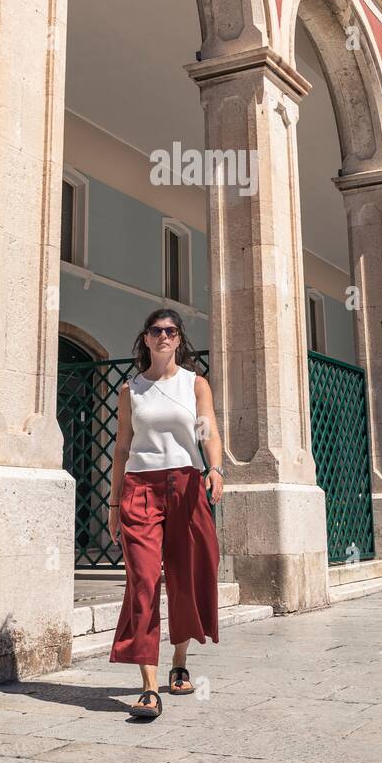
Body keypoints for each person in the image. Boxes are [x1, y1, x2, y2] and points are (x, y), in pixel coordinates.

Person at [108, 308, 224, 720]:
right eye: (155, 330)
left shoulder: (195, 384)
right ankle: (148, 687)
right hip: (140, 487)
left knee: (185, 574)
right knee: (142, 579)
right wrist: (114, 500)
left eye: (170, 331)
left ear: (179, 339)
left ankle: (179, 662)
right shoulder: (131, 391)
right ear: (145, 338)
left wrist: (215, 468)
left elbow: (206, 428)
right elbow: (122, 447)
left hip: (187, 484)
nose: (163, 336)